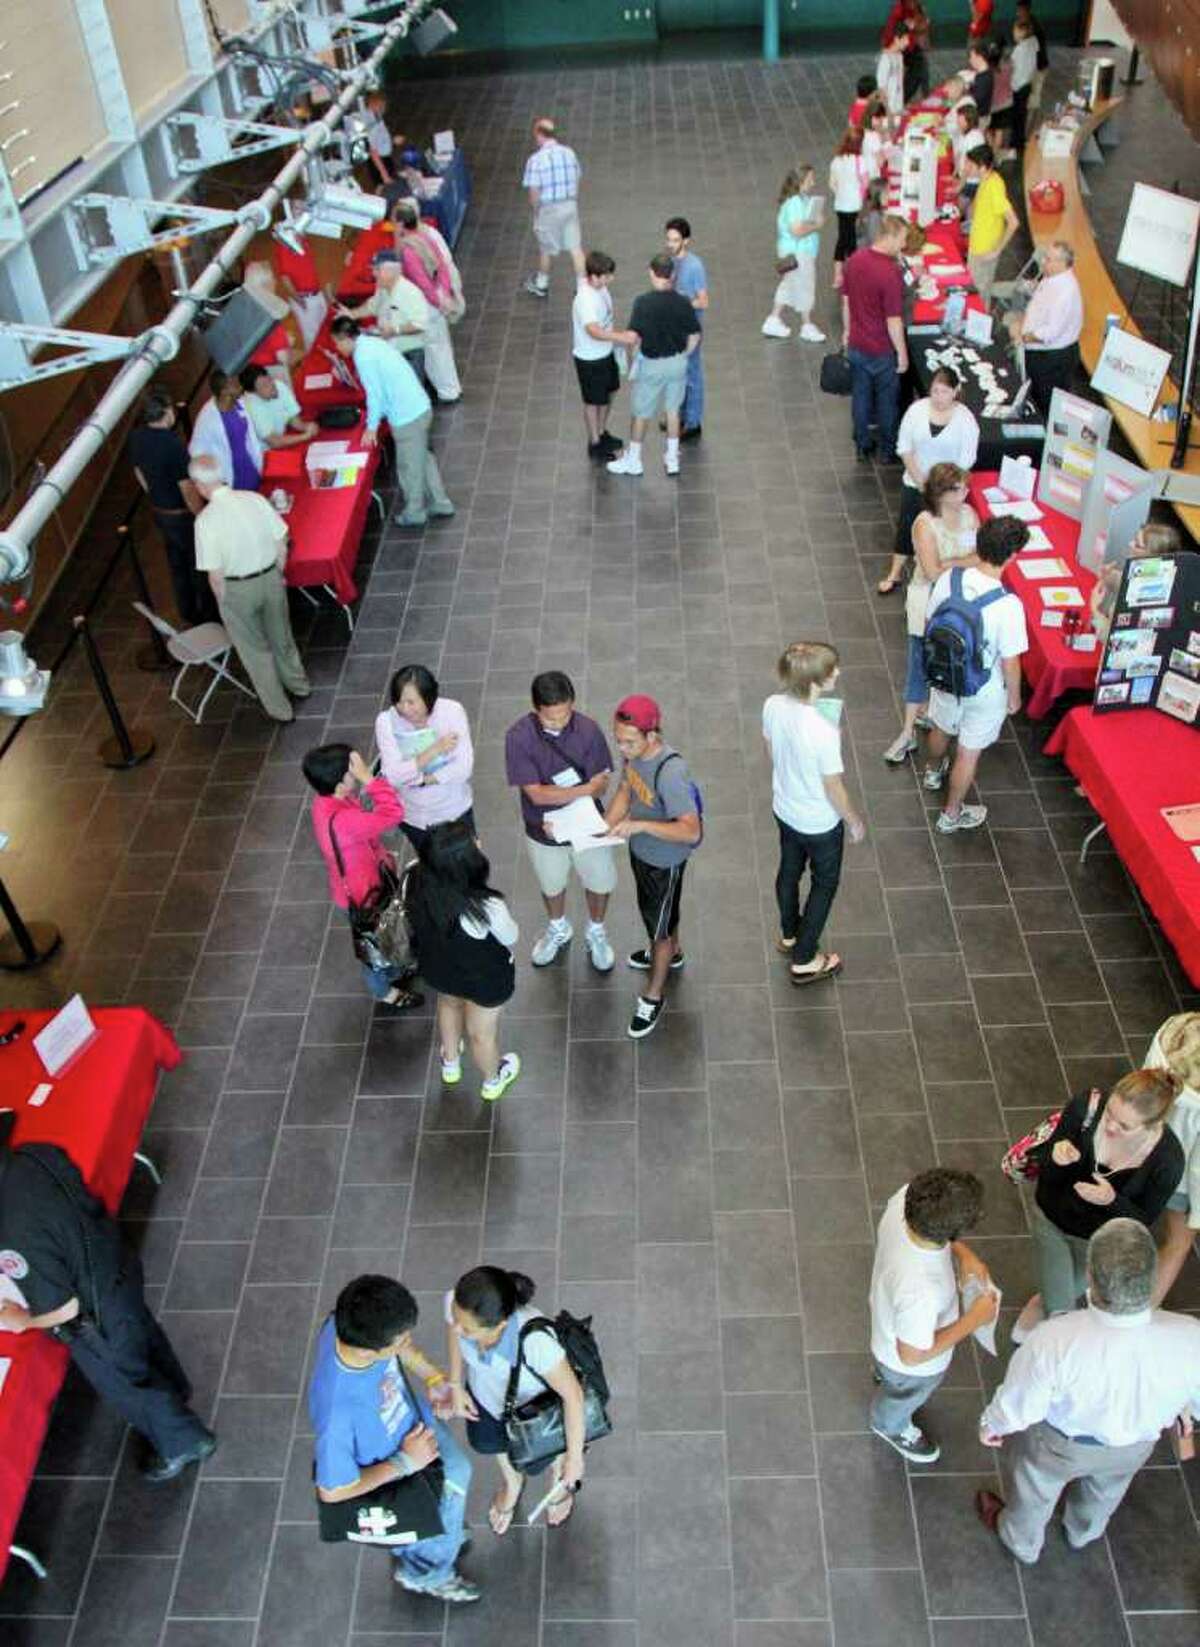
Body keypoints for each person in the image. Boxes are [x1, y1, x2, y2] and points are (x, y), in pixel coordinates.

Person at [0, 1115, 216, 1482]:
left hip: (94, 1315)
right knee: (144, 1338)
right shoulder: (34, 1155)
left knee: (126, 1383)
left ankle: (183, 1441)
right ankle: (175, 1391)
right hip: (115, 1263)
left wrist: (24, 1320)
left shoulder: (11, 1227)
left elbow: (62, 1307)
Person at [975, 1220, 1200, 1564]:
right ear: (1151, 1277)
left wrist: (994, 1424)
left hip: (1061, 1445)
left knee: (1035, 1490)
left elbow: (1024, 1400)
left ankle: (1022, 1541)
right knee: (1106, 1492)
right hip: (1135, 1446)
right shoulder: (1190, 1336)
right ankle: (1083, 1532)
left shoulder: (1054, 1339)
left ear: (1092, 1279)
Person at [308, 1273, 478, 1603]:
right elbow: (332, 1491)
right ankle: (427, 1574)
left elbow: (404, 1352)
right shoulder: (337, 1413)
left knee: (458, 1474)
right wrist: (405, 1462)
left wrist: (434, 1378)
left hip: (413, 1429)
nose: (407, 1345)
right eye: (399, 1342)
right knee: (434, 1524)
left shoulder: (341, 1324)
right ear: (370, 1350)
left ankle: (448, 1533)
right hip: (401, 1475)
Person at [1012, 1070, 1184, 1342]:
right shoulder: (1086, 1107)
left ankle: (1040, 1301)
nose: (1111, 1127)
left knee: (1065, 1288)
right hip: (1051, 1219)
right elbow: (1045, 1161)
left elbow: (1143, 1221)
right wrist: (1056, 1156)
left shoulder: (1168, 1161)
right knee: (1060, 1309)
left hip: (1096, 1239)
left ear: (1152, 1125)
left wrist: (1111, 1200)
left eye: (1125, 1126)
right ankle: (1049, 1335)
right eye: (1110, 1115)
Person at [868, 1168, 997, 1464]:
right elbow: (912, 1356)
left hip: (885, 1320)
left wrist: (964, 1255)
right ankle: (889, 1424)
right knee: (904, 1394)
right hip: (907, 1368)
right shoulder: (921, 1291)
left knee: (888, 1374)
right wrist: (974, 1319)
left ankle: (882, 1376)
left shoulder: (904, 1199)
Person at [444, 1266, 585, 1534]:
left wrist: (574, 1460)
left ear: (501, 1325)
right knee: (494, 1444)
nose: (458, 1330)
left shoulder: (536, 1343)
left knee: (547, 1454)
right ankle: (512, 1483)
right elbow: (453, 1330)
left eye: (469, 1330)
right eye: (456, 1320)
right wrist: (454, 1383)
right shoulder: (460, 1304)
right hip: (485, 1400)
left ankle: (557, 1485)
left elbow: (573, 1396)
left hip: (532, 1412)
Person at [763, 642, 865, 985]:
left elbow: (772, 751)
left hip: (784, 807)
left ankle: (790, 933)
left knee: (789, 869)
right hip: (820, 822)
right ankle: (805, 958)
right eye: (831, 670)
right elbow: (833, 786)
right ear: (813, 681)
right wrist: (853, 820)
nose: (837, 673)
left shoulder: (773, 705)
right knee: (824, 884)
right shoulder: (823, 731)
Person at [602, 694, 702, 1040]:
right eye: (617, 739)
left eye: (629, 741)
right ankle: (672, 953)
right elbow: (626, 790)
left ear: (652, 735)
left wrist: (641, 826)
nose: (622, 747)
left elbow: (691, 830)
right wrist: (601, 826)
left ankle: (654, 994)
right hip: (642, 853)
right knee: (660, 914)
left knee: (658, 929)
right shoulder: (634, 755)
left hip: (664, 862)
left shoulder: (670, 772)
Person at [504, 670, 618, 973]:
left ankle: (596, 929)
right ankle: (558, 926)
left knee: (600, 881)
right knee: (551, 884)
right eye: (551, 718)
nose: (560, 723)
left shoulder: (589, 730)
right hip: (543, 831)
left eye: (565, 715)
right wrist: (584, 790)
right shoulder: (519, 737)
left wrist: (589, 788)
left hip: (586, 826)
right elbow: (536, 795)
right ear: (535, 708)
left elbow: (602, 781)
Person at [921, 513, 1027, 832]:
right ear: (1011, 555)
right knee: (968, 753)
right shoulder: (1008, 605)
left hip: (944, 675)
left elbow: (930, 624)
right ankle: (951, 814)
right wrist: (1014, 697)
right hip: (982, 688)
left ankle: (932, 770)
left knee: (941, 726)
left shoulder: (949, 579)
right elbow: (1011, 661)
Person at [404, 820, 522, 1102]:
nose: (478, 844)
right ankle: (493, 1079)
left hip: (437, 967)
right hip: (484, 979)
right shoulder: (484, 906)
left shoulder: (413, 876)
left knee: (448, 1003)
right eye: (473, 845)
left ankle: (451, 1063)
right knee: (481, 1035)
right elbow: (511, 936)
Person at [189, 453, 311, 722]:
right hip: (270, 578)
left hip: (238, 589)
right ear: (222, 475)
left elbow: (215, 574)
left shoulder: (205, 522)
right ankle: (299, 685)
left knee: (255, 652)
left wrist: (223, 602)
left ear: (199, 485)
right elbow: (281, 539)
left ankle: (281, 709)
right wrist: (277, 572)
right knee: (283, 637)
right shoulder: (254, 500)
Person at [303, 742, 422, 1008]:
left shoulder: (325, 802)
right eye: (352, 771)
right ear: (339, 783)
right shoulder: (344, 822)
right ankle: (385, 991)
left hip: (366, 886)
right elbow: (393, 814)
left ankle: (396, 967)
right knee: (374, 951)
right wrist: (370, 781)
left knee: (382, 940)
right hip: (365, 897)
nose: (359, 772)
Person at [884, 463, 979, 765]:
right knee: (918, 664)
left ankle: (934, 715)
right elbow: (932, 571)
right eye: (959, 488)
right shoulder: (925, 524)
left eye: (966, 487)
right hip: (927, 602)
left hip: (960, 602)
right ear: (940, 493)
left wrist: (953, 562)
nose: (966, 492)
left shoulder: (970, 515)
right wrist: (965, 562)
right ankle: (907, 730)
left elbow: (977, 557)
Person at [330, 317, 454, 528]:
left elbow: (375, 395)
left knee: (409, 468)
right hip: (419, 407)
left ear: (344, 339)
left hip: (407, 417)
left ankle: (415, 512)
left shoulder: (363, 356)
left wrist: (371, 427)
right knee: (423, 458)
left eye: (336, 343)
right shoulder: (371, 342)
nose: (337, 348)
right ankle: (440, 502)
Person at [878, 368, 980, 595]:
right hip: (916, 482)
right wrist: (921, 482)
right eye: (935, 391)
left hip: (947, 489)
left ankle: (941, 568)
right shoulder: (916, 411)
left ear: (955, 392)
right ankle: (895, 572)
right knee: (906, 527)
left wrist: (944, 487)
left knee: (944, 530)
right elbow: (904, 448)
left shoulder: (966, 420)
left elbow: (966, 460)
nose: (938, 397)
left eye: (944, 391)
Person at [606, 253, 701, 480]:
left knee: (641, 413)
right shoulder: (683, 302)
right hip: (677, 363)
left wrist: (612, 338)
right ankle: (671, 459)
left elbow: (633, 336)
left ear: (651, 273)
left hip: (652, 365)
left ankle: (635, 460)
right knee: (672, 412)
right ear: (673, 275)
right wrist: (684, 354)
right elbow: (695, 334)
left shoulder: (643, 303)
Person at [128, 389, 217, 626]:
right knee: (198, 564)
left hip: (160, 511)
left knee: (177, 565)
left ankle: (187, 611)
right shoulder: (172, 444)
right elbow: (187, 487)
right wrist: (201, 515)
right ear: (166, 413)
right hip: (181, 515)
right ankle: (208, 614)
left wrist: (155, 494)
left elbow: (138, 471)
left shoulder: (136, 437)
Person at [376, 663, 474, 849]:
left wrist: (420, 780)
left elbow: (463, 768)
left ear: (428, 697)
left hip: (455, 810)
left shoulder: (452, 711)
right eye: (399, 701)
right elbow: (393, 777)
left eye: (411, 702)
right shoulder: (386, 721)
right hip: (414, 817)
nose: (405, 709)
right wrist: (434, 750)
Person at [841, 212, 908, 464]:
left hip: (857, 344)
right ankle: (889, 449)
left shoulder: (855, 261)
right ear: (889, 237)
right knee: (887, 402)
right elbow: (893, 320)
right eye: (902, 239)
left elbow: (845, 301)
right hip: (881, 349)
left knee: (860, 397)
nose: (903, 245)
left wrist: (847, 332)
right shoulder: (889, 273)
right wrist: (901, 353)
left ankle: (862, 442)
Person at [1145, 1014, 1200, 1305]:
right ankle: (1140, 1319)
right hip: (1187, 1180)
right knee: (1178, 1243)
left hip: (1146, 1146)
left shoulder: (1179, 1027)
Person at [393, 199, 461, 402]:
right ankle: (452, 386)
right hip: (439, 298)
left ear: (401, 224)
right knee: (442, 345)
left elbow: (422, 283)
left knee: (433, 349)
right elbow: (442, 266)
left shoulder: (408, 250)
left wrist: (436, 301)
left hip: (427, 306)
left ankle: (447, 391)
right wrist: (445, 294)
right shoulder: (425, 237)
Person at [571, 250, 632, 460]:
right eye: (606, 276)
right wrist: (621, 338)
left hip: (605, 353)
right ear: (594, 276)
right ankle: (594, 442)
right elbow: (593, 330)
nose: (610, 279)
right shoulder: (585, 299)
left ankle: (602, 431)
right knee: (593, 401)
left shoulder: (600, 288)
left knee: (609, 393)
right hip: (590, 358)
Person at [337, 250, 429, 382]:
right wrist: (351, 314)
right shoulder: (382, 287)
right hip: (392, 352)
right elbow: (372, 307)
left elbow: (420, 324)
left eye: (377, 269)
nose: (374, 274)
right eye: (373, 269)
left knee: (409, 396)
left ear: (392, 271)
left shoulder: (410, 293)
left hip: (409, 356)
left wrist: (394, 330)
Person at [1089, 522, 1184, 643]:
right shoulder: (1156, 573)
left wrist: (1094, 609)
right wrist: (1109, 577)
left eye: (1137, 545)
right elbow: (1128, 584)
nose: (1130, 544)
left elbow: (1116, 641)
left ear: (1151, 556)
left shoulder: (1150, 602)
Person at [1018, 241, 1084, 417]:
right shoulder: (1051, 277)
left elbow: (1051, 332)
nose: (1043, 261)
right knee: (1035, 396)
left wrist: (1023, 337)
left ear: (1062, 263)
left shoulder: (1066, 292)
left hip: (1051, 359)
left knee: (1045, 404)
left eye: (1048, 259)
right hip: (1039, 352)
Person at [761, 166, 826, 343]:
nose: (813, 182)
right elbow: (796, 230)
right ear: (801, 181)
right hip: (799, 253)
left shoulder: (796, 201)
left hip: (793, 252)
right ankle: (807, 324)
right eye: (810, 178)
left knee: (788, 285)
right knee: (805, 286)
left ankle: (774, 319)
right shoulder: (796, 203)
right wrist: (816, 225)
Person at [522, 116, 585, 297]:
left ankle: (541, 284)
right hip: (570, 205)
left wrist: (536, 213)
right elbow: (577, 176)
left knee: (546, 249)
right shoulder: (569, 153)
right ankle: (582, 286)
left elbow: (534, 193)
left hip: (549, 209)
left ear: (539, 134)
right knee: (575, 247)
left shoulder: (536, 160)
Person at [665, 216, 708, 440]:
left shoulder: (694, 266)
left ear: (686, 241)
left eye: (675, 240)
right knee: (679, 372)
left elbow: (703, 301)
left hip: (691, 327)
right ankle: (680, 416)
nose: (670, 244)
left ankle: (693, 422)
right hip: (676, 326)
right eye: (668, 239)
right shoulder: (671, 263)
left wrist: (681, 303)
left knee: (692, 373)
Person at [189, 369, 264, 491]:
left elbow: (250, 438)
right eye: (236, 385)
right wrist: (216, 478)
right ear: (224, 391)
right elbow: (196, 453)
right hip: (231, 479)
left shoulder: (240, 403)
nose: (241, 386)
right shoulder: (207, 419)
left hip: (251, 469)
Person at [964, 146, 1018, 305]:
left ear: (982, 167)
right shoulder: (986, 180)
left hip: (984, 251)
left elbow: (1013, 222)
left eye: (970, 165)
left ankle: (979, 329)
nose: (966, 168)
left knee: (979, 296)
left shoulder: (994, 186)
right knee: (975, 292)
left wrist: (996, 251)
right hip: (977, 246)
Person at [273, 228, 330, 351]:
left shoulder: (303, 240)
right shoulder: (285, 246)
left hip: (316, 295)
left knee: (325, 333)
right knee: (312, 340)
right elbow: (285, 278)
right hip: (305, 299)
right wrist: (299, 300)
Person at [240, 364, 318, 450]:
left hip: (282, 440)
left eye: (269, 379)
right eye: (264, 386)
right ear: (253, 393)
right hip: (264, 452)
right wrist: (305, 436)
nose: (272, 386)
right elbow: (274, 442)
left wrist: (306, 427)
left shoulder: (279, 386)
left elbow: (292, 418)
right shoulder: (252, 406)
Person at [829, 129, 867, 290]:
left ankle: (838, 275)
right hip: (855, 205)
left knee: (842, 238)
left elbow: (832, 183)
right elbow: (865, 184)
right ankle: (852, 275)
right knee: (851, 240)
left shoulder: (836, 161)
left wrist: (840, 192)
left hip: (840, 205)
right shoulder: (861, 161)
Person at [1009, 15, 1037, 152]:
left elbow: (1013, 67)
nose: (1013, 33)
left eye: (1014, 30)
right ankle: (1019, 140)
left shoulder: (1018, 50)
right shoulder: (1033, 42)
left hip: (1018, 86)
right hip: (1027, 83)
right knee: (1023, 113)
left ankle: (1015, 143)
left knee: (1017, 116)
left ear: (1021, 32)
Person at [1015, 0, 1049, 111]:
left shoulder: (1032, 28)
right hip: (1034, 66)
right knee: (1030, 95)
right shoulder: (1027, 23)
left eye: (1020, 11)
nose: (1018, 13)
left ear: (1026, 10)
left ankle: (1032, 120)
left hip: (1039, 66)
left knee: (1034, 96)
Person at [362, 90, 398, 186]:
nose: (384, 109)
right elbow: (373, 151)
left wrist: (392, 141)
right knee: (383, 190)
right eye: (382, 107)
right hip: (380, 162)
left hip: (385, 158)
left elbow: (380, 138)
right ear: (374, 104)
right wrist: (385, 176)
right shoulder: (371, 124)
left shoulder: (377, 117)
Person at [875, 23, 909, 123]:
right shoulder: (885, 59)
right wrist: (888, 112)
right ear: (896, 39)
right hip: (889, 113)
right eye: (905, 39)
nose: (907, 42)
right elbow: (881, 89)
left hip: (898, 110)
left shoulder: (900, 56)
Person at [860, 100, 890, 184]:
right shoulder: (873, 136)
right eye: (878, 118)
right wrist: (887, 145)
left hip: (866, 171)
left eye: (882, 117)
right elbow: (881, 161)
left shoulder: (864, 131)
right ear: (870, 117)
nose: (881, 121)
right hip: (874, 175)